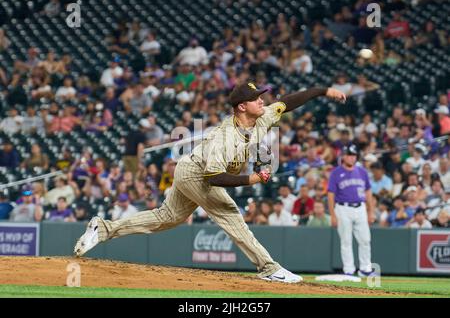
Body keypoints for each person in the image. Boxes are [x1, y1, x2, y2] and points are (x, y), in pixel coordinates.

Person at [75, 82, 346, 283]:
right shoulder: (225, 136)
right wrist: (251, 178)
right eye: (256, 98)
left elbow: (287, 102)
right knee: (230, 215)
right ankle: (269, 268)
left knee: (166, 217)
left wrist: (323, 91)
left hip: (191, 169)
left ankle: (103, 228)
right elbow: (213, 177)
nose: (262, 101)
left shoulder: (262, 117)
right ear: (242, 107)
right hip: (196, 173)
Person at [327, 145, 376, 277]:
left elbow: (368, 192)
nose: (351, 157)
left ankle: (365, 269)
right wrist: (332, 215)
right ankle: (349, 270)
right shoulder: (336, 173)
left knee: (365, 240)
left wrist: (371, 211)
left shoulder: (362, 172)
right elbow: (331, 195)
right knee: (346, 241)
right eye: (349, 155)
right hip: (343, 208)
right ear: (343, 156)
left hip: (360, 208)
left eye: (353, 155)